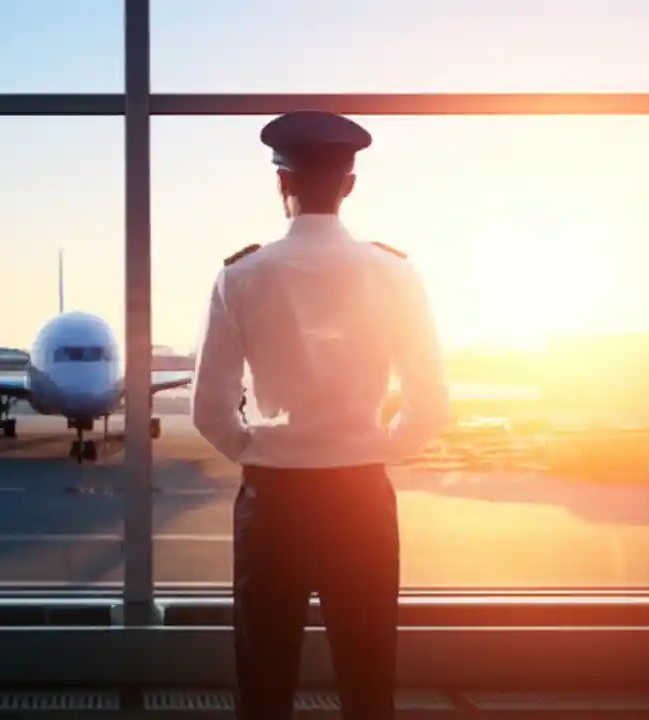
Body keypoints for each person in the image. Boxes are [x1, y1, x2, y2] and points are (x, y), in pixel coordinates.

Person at [190, 111, 450, 720]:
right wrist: (375, 445)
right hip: (360, 494)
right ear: (349, 185)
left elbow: (210, 409)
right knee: (367, 672)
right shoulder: (395, 273)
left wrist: (259, 450)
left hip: (273, 498)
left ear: (282, 183)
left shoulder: (242, 275)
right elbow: (430, 401)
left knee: (264, 675)